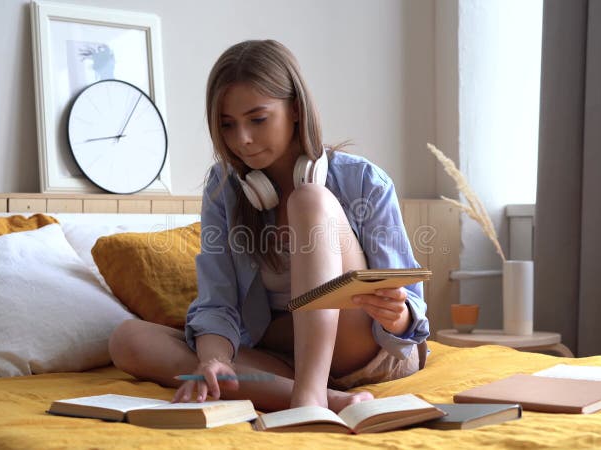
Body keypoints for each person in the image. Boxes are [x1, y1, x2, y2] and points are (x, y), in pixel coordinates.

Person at [108, 39, 429, 413]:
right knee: (127, 339)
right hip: (279, 357)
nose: (242, 139)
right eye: (228, 125)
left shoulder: (364, 181)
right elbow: (218, 300)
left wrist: (398, 314)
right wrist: (213, 359)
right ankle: (331, 400)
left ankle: (308, 400)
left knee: (310, 200)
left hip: (365, 350)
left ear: (295, 110)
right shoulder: (225, 188)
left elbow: (410, 307)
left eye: (257, 119)